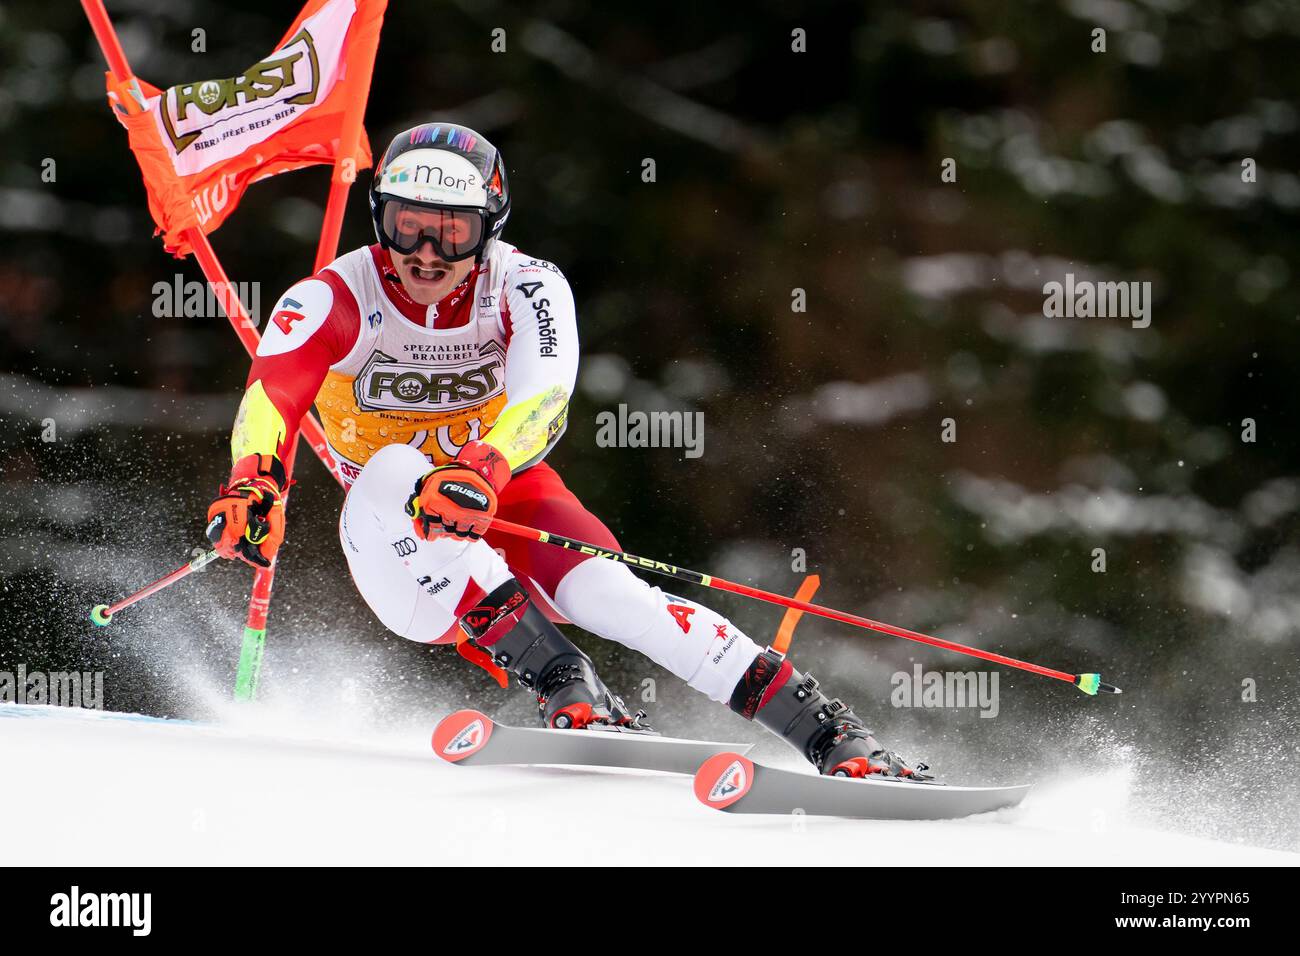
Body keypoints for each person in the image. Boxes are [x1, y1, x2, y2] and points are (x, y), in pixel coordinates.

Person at [205, 122, 926, 778]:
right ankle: (563, 678)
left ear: (488, 228)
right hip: (401, 550)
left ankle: (828, 735)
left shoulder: (527, 284)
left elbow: (544, 398)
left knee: (617, 596)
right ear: (380, 220)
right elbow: (271, 397)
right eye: (407, 227)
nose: (426, 254)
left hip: (504, 497)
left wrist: (480, 471)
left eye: (451, 233)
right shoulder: (332, 296)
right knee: (396, 469)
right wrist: (252, 487)